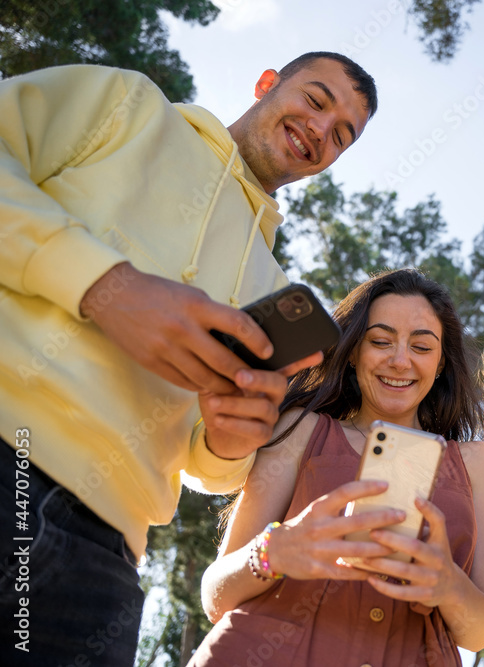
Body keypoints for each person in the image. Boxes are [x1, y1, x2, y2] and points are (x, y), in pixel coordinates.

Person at [0, 52, 377, 664]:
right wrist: (105, 286)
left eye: (342, 135)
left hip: (108, 553)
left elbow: (209, 466)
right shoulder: (126, 104)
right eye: (316, 99)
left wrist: (232, 440)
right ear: (265, 83)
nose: (321, 130)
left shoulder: (273, 288)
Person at [189, 268, 484, 667]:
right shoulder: (301, 428)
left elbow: (480, 630)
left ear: (441, 362)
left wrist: (448, 584)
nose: (400, 360)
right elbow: (216, 594)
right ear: (354, 352)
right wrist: (277, 550)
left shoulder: (477, 463)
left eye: (422, 347)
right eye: (380, 341)